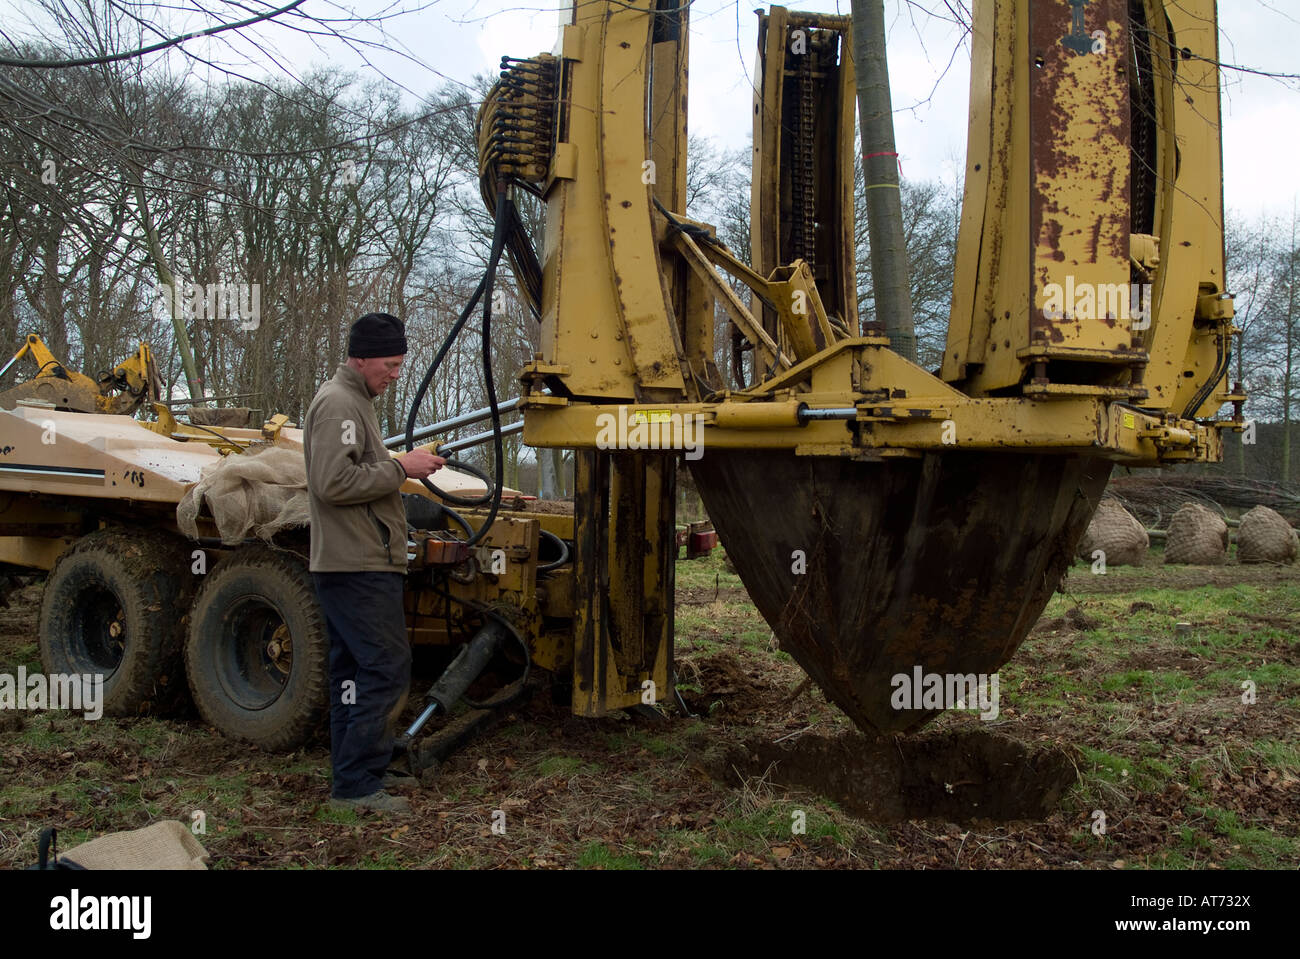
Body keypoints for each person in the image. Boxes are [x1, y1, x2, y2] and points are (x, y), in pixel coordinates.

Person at [303, 312, 444, 814]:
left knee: (353, 672)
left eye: (401, 364)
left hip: (354, 560)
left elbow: (355, 471)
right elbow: (333, 483)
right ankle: (358, 787)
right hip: (356, 563)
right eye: (389, 363)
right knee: (385, 668)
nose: (395, 373)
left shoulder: (354, 401)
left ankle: (357, 774)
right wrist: (402, 468)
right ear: (360, 358)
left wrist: (399, 463)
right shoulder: (341, 403)